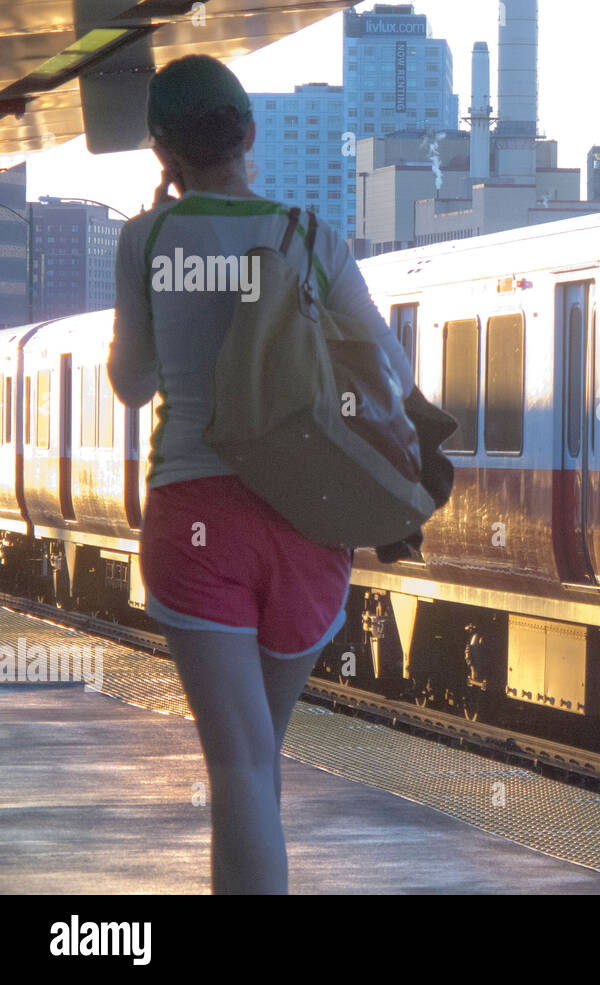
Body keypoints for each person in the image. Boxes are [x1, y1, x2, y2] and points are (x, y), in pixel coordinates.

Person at [108, 54, 414, 894]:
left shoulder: (149, 239)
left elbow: (131, 385)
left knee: (237, 764)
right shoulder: (312, 236)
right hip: (309, 519)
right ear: (248, 133)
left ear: (162, 152)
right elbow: (391, 372)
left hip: (197, 518)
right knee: (256, 762)